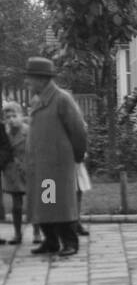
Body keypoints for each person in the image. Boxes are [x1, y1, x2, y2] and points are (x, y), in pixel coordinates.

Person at [23, 56, 88, 257]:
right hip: (43, 166)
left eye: (30, 78)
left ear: (41, 79)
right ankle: (51, 242)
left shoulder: (61, 99)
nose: (27, 82)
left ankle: (70, 242)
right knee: (47, 203)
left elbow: (79, 131)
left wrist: (77, 157)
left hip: (57, 166)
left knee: (61, 204)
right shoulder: (39, 100)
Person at [2, 101, 32, 245]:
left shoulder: (28, 130)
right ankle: (17, 233)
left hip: (29, 168)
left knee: (35, 202)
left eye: (14, 115)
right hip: (12, 171)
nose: (11, 119)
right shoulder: (4, 133)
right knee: (16, 205)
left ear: (21, 115)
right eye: (8, 117)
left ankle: (38, 232)